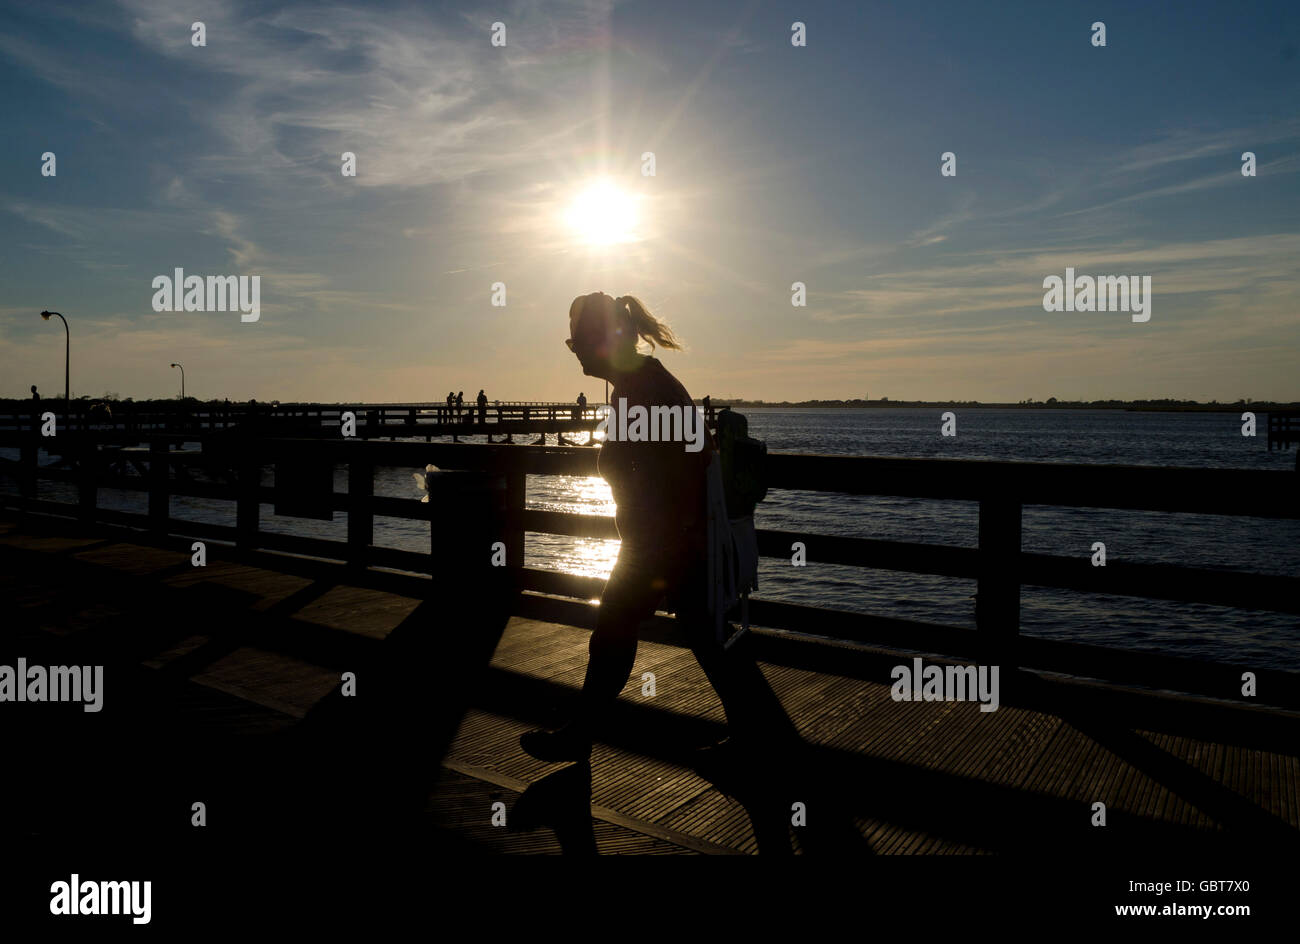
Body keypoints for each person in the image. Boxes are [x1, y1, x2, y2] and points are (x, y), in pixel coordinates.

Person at [520, 292, 795, 762]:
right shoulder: (640, 384)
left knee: (617, 627)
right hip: (676, 539)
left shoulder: (644, 391)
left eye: (579, 343)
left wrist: (671, 538)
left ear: (605, 340)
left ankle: (580, 736)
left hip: (665, 543)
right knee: (706, 639)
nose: (577, 354)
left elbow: (674, 470)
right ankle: (763, 743)